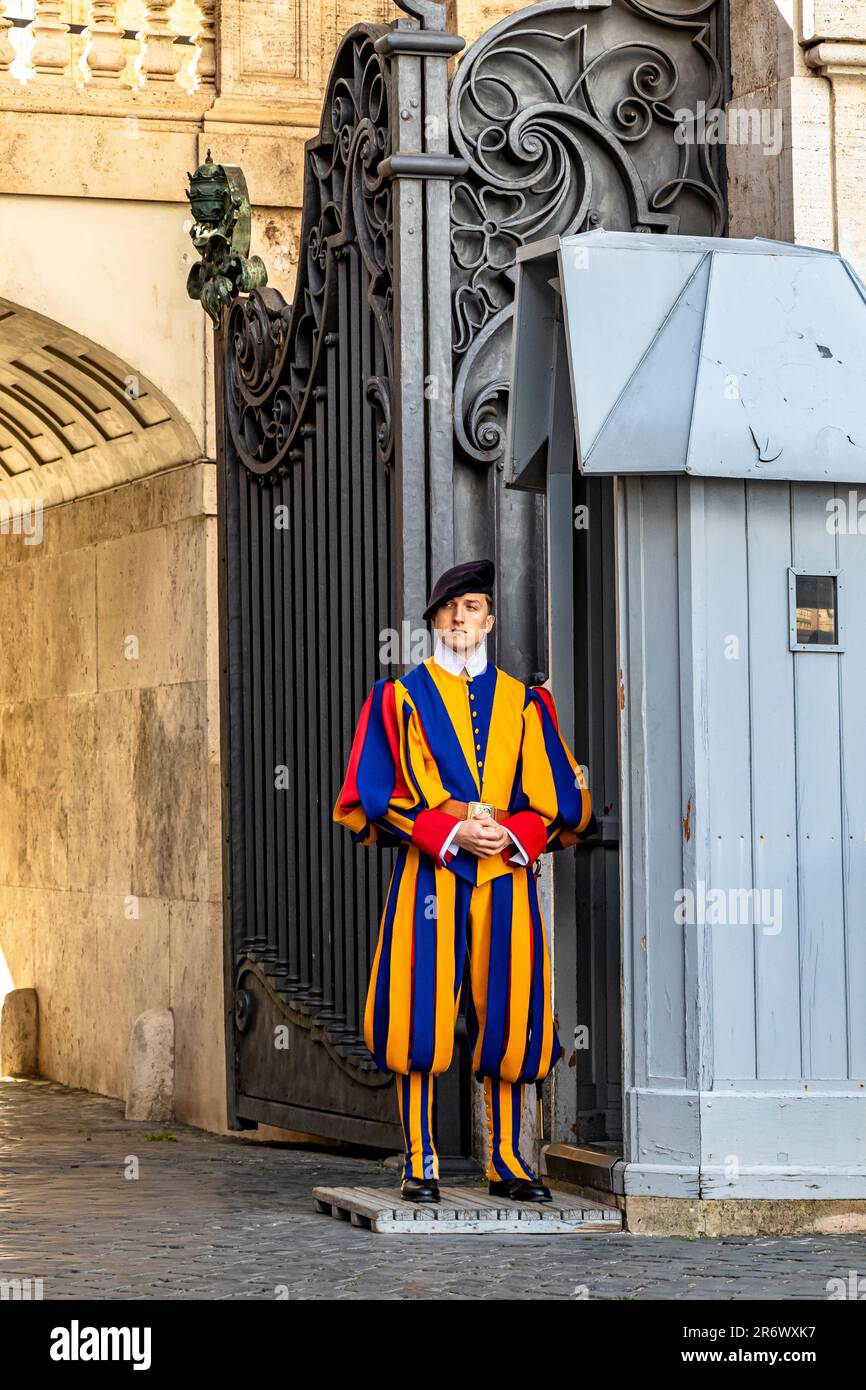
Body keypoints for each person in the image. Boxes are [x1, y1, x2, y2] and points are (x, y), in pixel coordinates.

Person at [333, 558, 593, 1204]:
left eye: (472, 606)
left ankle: (508, 1162)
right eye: (449, 609)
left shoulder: (527, 703)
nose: (459, 618)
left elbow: (558, 799)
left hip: (507, 876)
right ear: (433, 622)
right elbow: (372, 792)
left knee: (513, 1016)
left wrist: (515, 835)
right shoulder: (398, 699)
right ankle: (419, 1163)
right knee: (415, 1016)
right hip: (430, 877)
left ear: (489, 619)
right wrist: (447, 832)